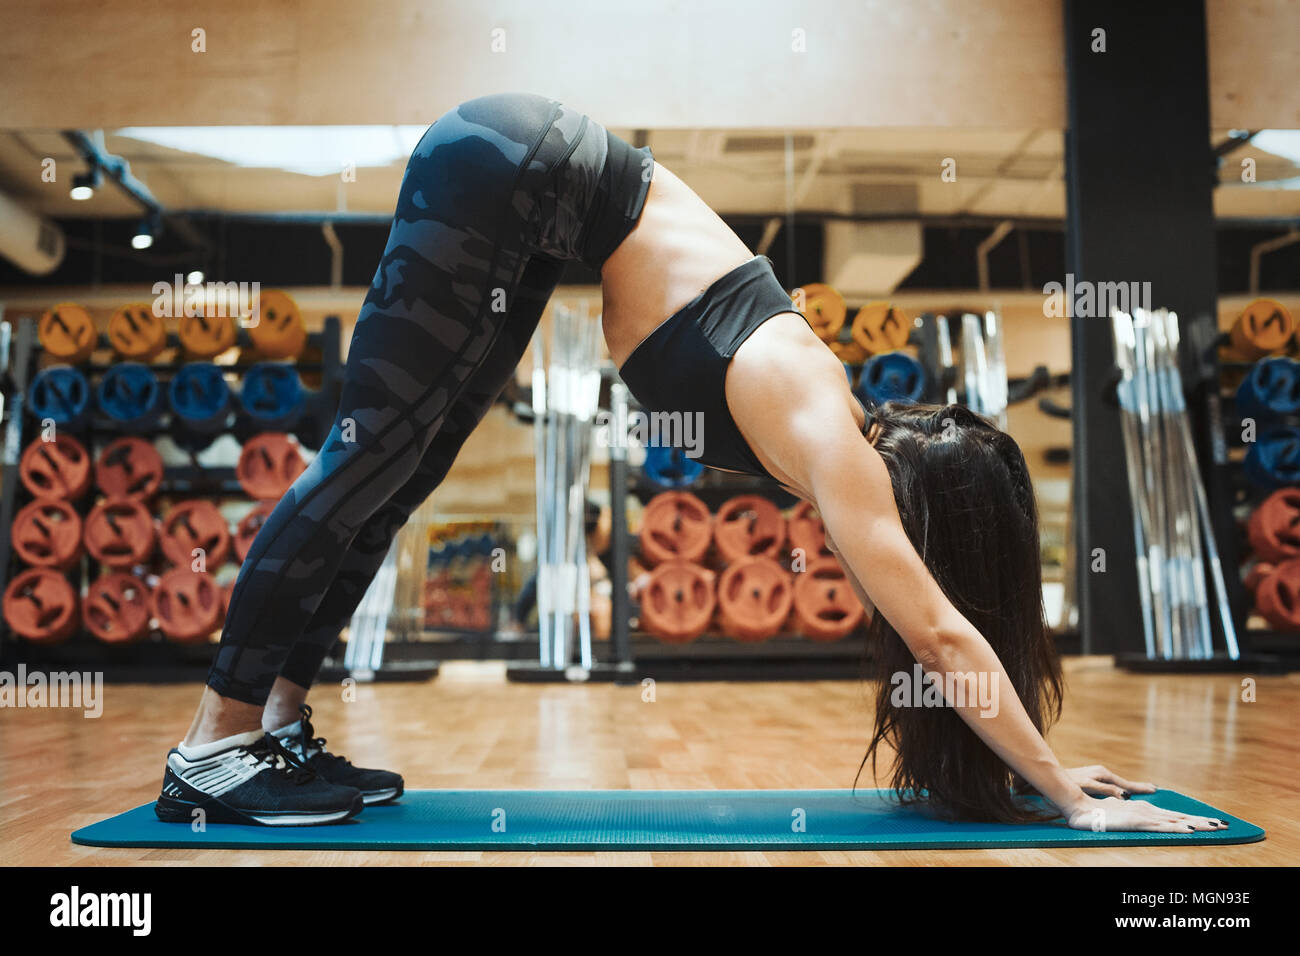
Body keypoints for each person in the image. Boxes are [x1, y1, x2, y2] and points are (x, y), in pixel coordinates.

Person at [157, 92, 1226, 833]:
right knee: (364, 458)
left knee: (400, 474)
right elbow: (943, 630)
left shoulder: (838, 435)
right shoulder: (835, 445)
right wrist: (1068, 793)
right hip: (514, 165)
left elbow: (939, 625)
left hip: (532, 197)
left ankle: (280, 728)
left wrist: (1032, 765)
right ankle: (216, 745)